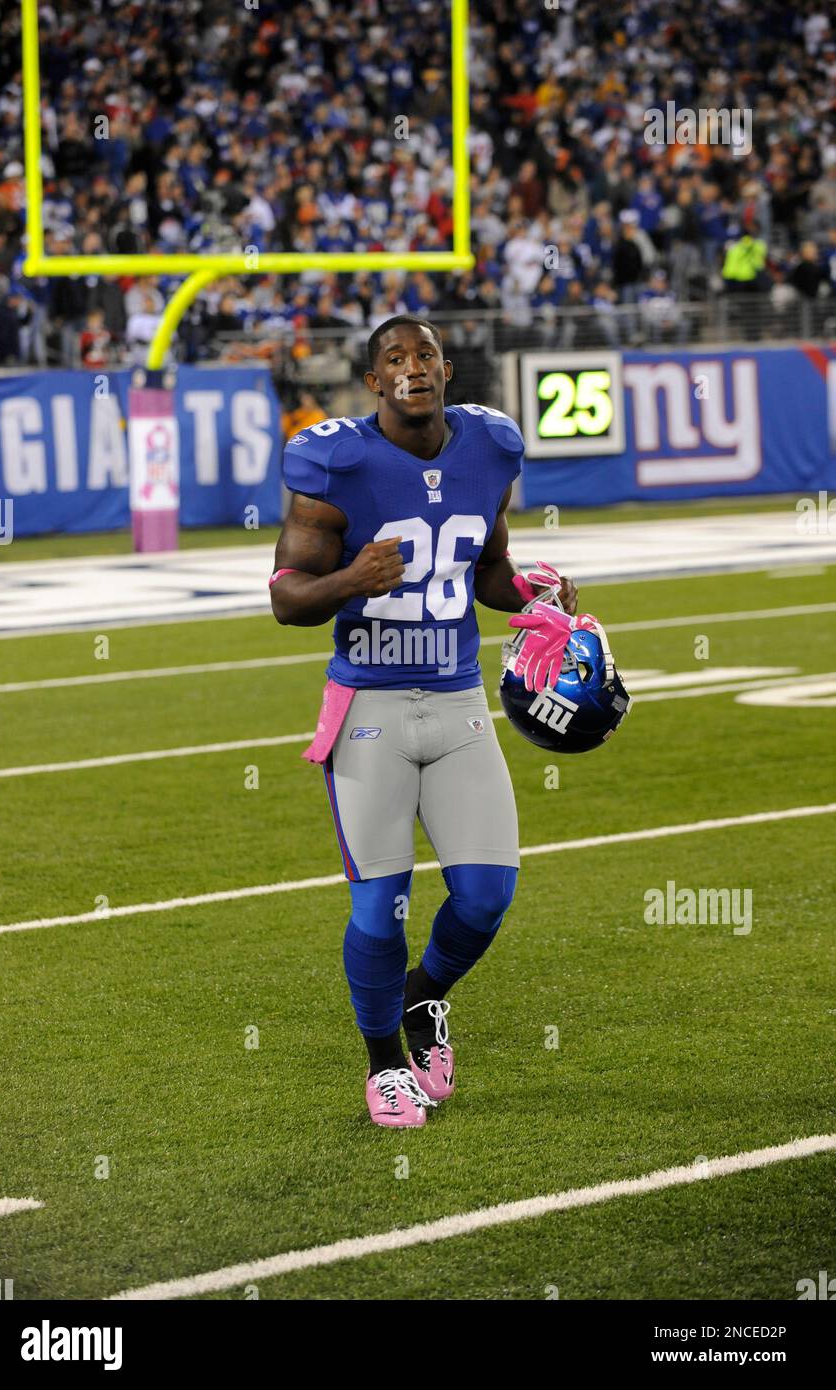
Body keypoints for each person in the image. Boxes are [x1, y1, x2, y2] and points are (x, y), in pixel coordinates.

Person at [270, 316, 578, 1128]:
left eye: (425, 355)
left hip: (456, 702)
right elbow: (284, 598)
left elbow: (487, 569)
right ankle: (383, 1069)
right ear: (373, 382)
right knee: (378, 907)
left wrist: (533, 599)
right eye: (394, 359)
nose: (413, 368)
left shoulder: (489, 447)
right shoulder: (333, 462)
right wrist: (350, 580)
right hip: (369, 705)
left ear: (446, 368)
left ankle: (422, 999)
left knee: (484, 896)